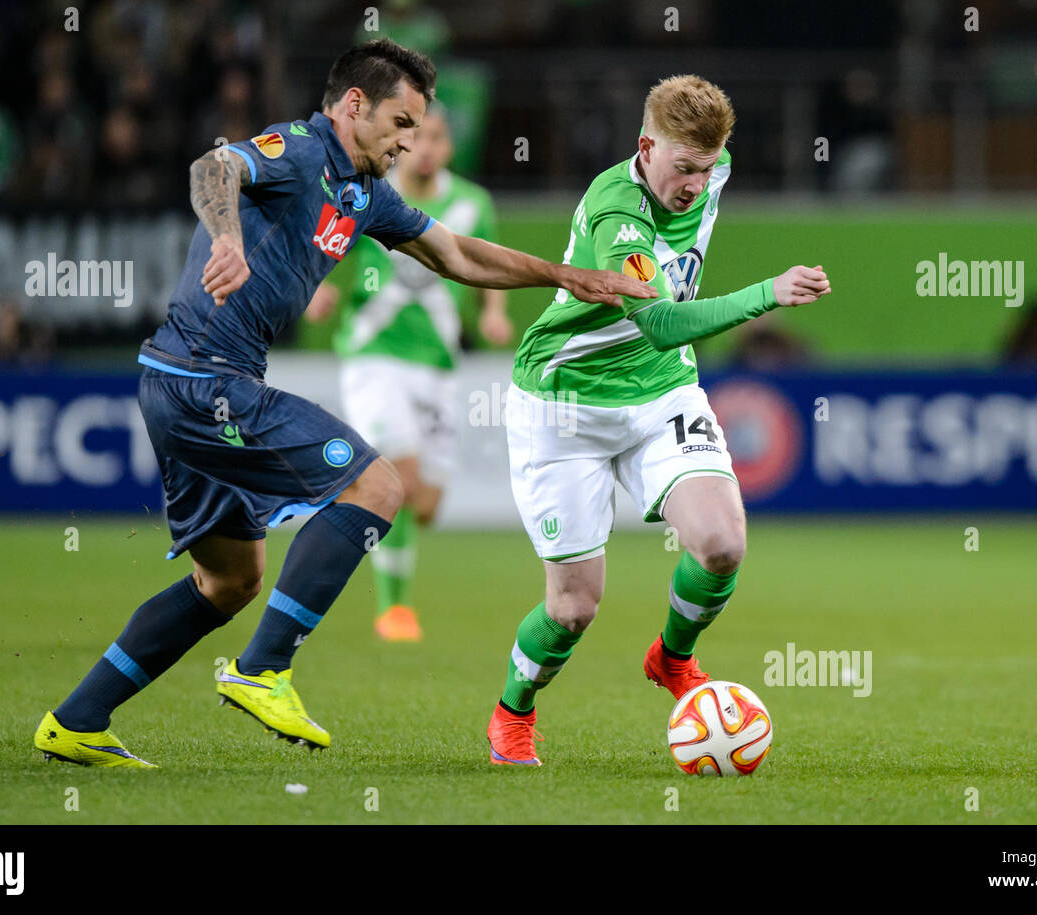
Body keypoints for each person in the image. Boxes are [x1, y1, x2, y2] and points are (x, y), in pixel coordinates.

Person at [33, 38, 654, 768]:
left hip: (190, 382)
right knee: (379, 483)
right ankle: (263, 669)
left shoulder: (363, 193)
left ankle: (76, 719)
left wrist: (565, 274)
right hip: (206, 378)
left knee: (229, 580)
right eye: (399, 122)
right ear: (354, 106)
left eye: (417, 130)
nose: (407, 142)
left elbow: (456, 253)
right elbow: (214, 166)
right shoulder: (299, 149)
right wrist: (228, 236)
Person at [486, 75, 832, 766]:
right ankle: (513, 711)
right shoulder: (621, 216)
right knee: (574, 607)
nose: (697, 185)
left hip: (660, 395)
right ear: (645, 147)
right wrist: (767, 292)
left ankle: (672, 658)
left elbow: (663, 348)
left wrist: (704, 165)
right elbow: (661, 322)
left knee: (722, 543)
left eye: (708, 169)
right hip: (565, 405)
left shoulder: (711, 163)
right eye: (682, 169)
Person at [305, 102, 511, 642]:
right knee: (401, 481)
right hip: (374, 358)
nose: (425, 147)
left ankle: (346, 498)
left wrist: (492, 314)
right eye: (416, 136)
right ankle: (394, 610)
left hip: (439, 366)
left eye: (437, 138)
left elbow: (483, 269)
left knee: (427, 505)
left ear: (448, 146)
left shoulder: (472, 204)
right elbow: (335, 251)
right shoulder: (370, 194)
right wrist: (321, 288)